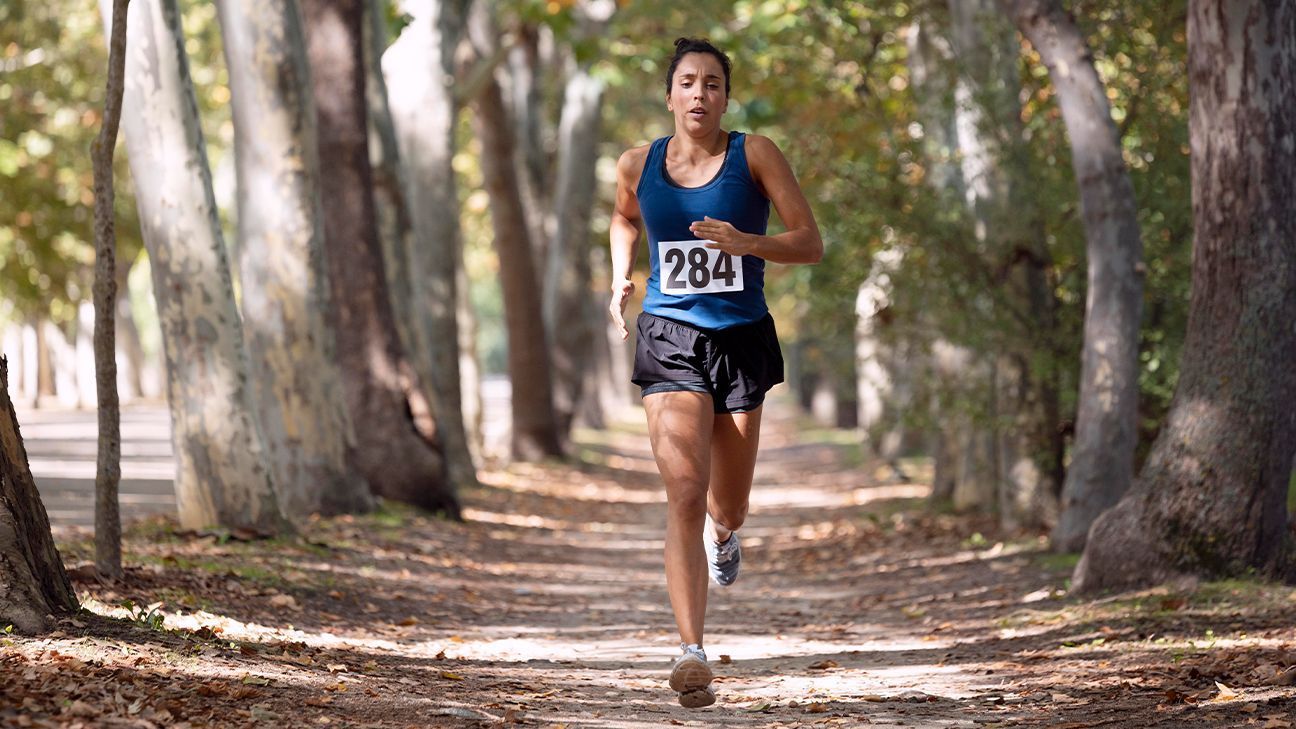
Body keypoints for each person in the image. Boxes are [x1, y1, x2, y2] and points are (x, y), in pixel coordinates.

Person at [608, 37, 823, 709]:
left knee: (724, 503)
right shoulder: (636, 162)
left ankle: (725, 534)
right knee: (682, 489)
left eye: (713, 85)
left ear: (726, 97)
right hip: (670, 335)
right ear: (669, 94)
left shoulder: (753, 154)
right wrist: (619, 274)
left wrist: (746, 241)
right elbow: (624, 218)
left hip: (741, 338)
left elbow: (810, 242)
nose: (700, 94)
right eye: (689, 83)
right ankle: (691, 651)